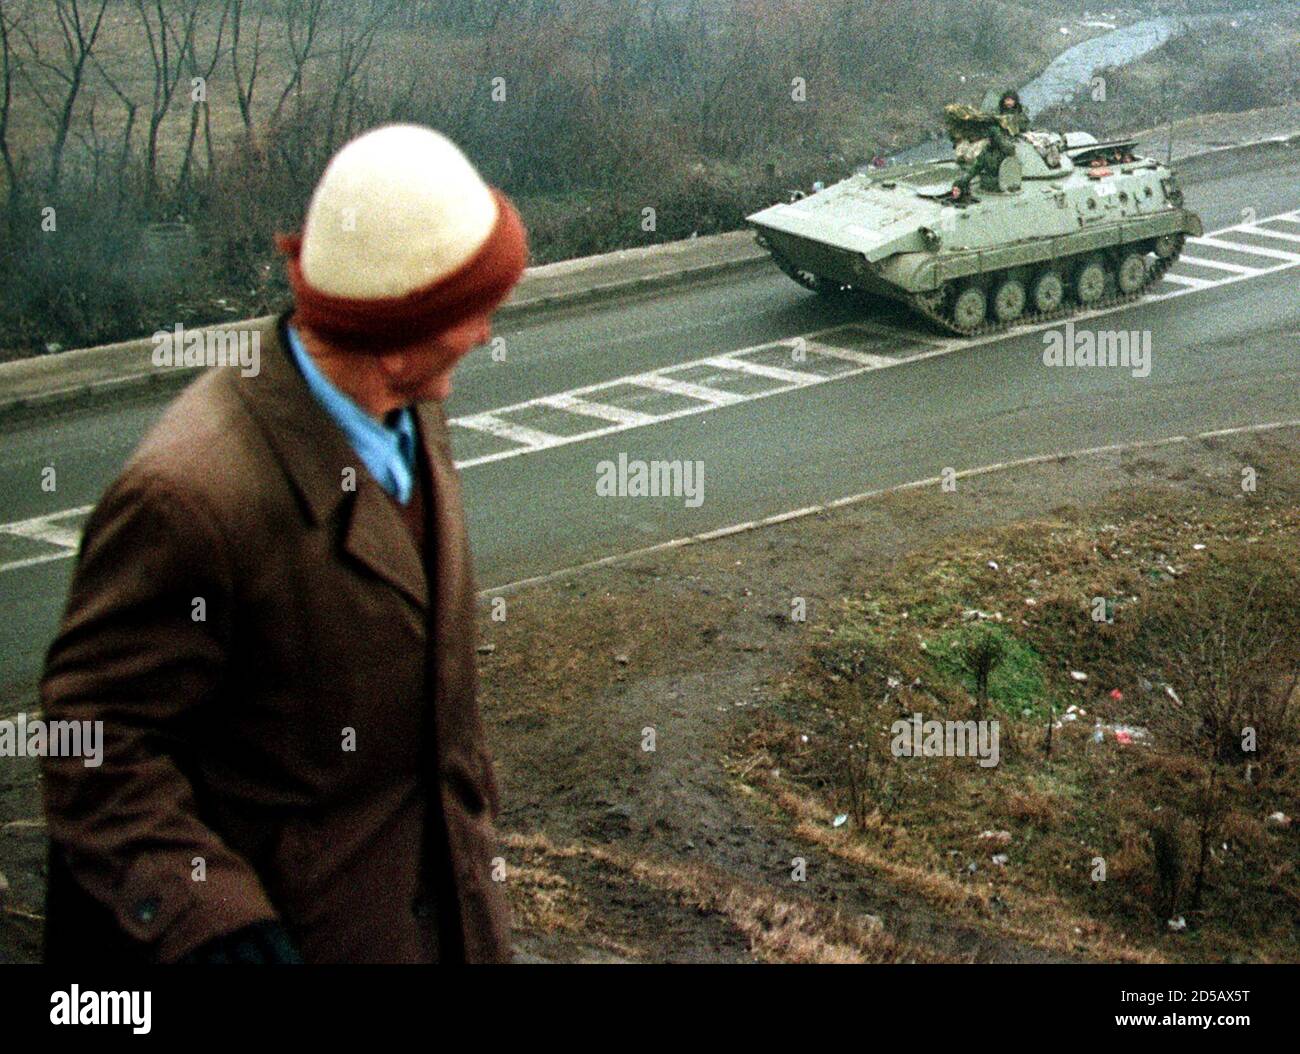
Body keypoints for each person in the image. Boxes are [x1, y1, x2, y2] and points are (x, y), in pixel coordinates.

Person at [39, 124, 528, 964]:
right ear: (399, 329)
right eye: (470, 309)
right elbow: (92, 740)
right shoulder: (191, 497)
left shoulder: (411, 411)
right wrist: (213, 921)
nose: (486, 334)